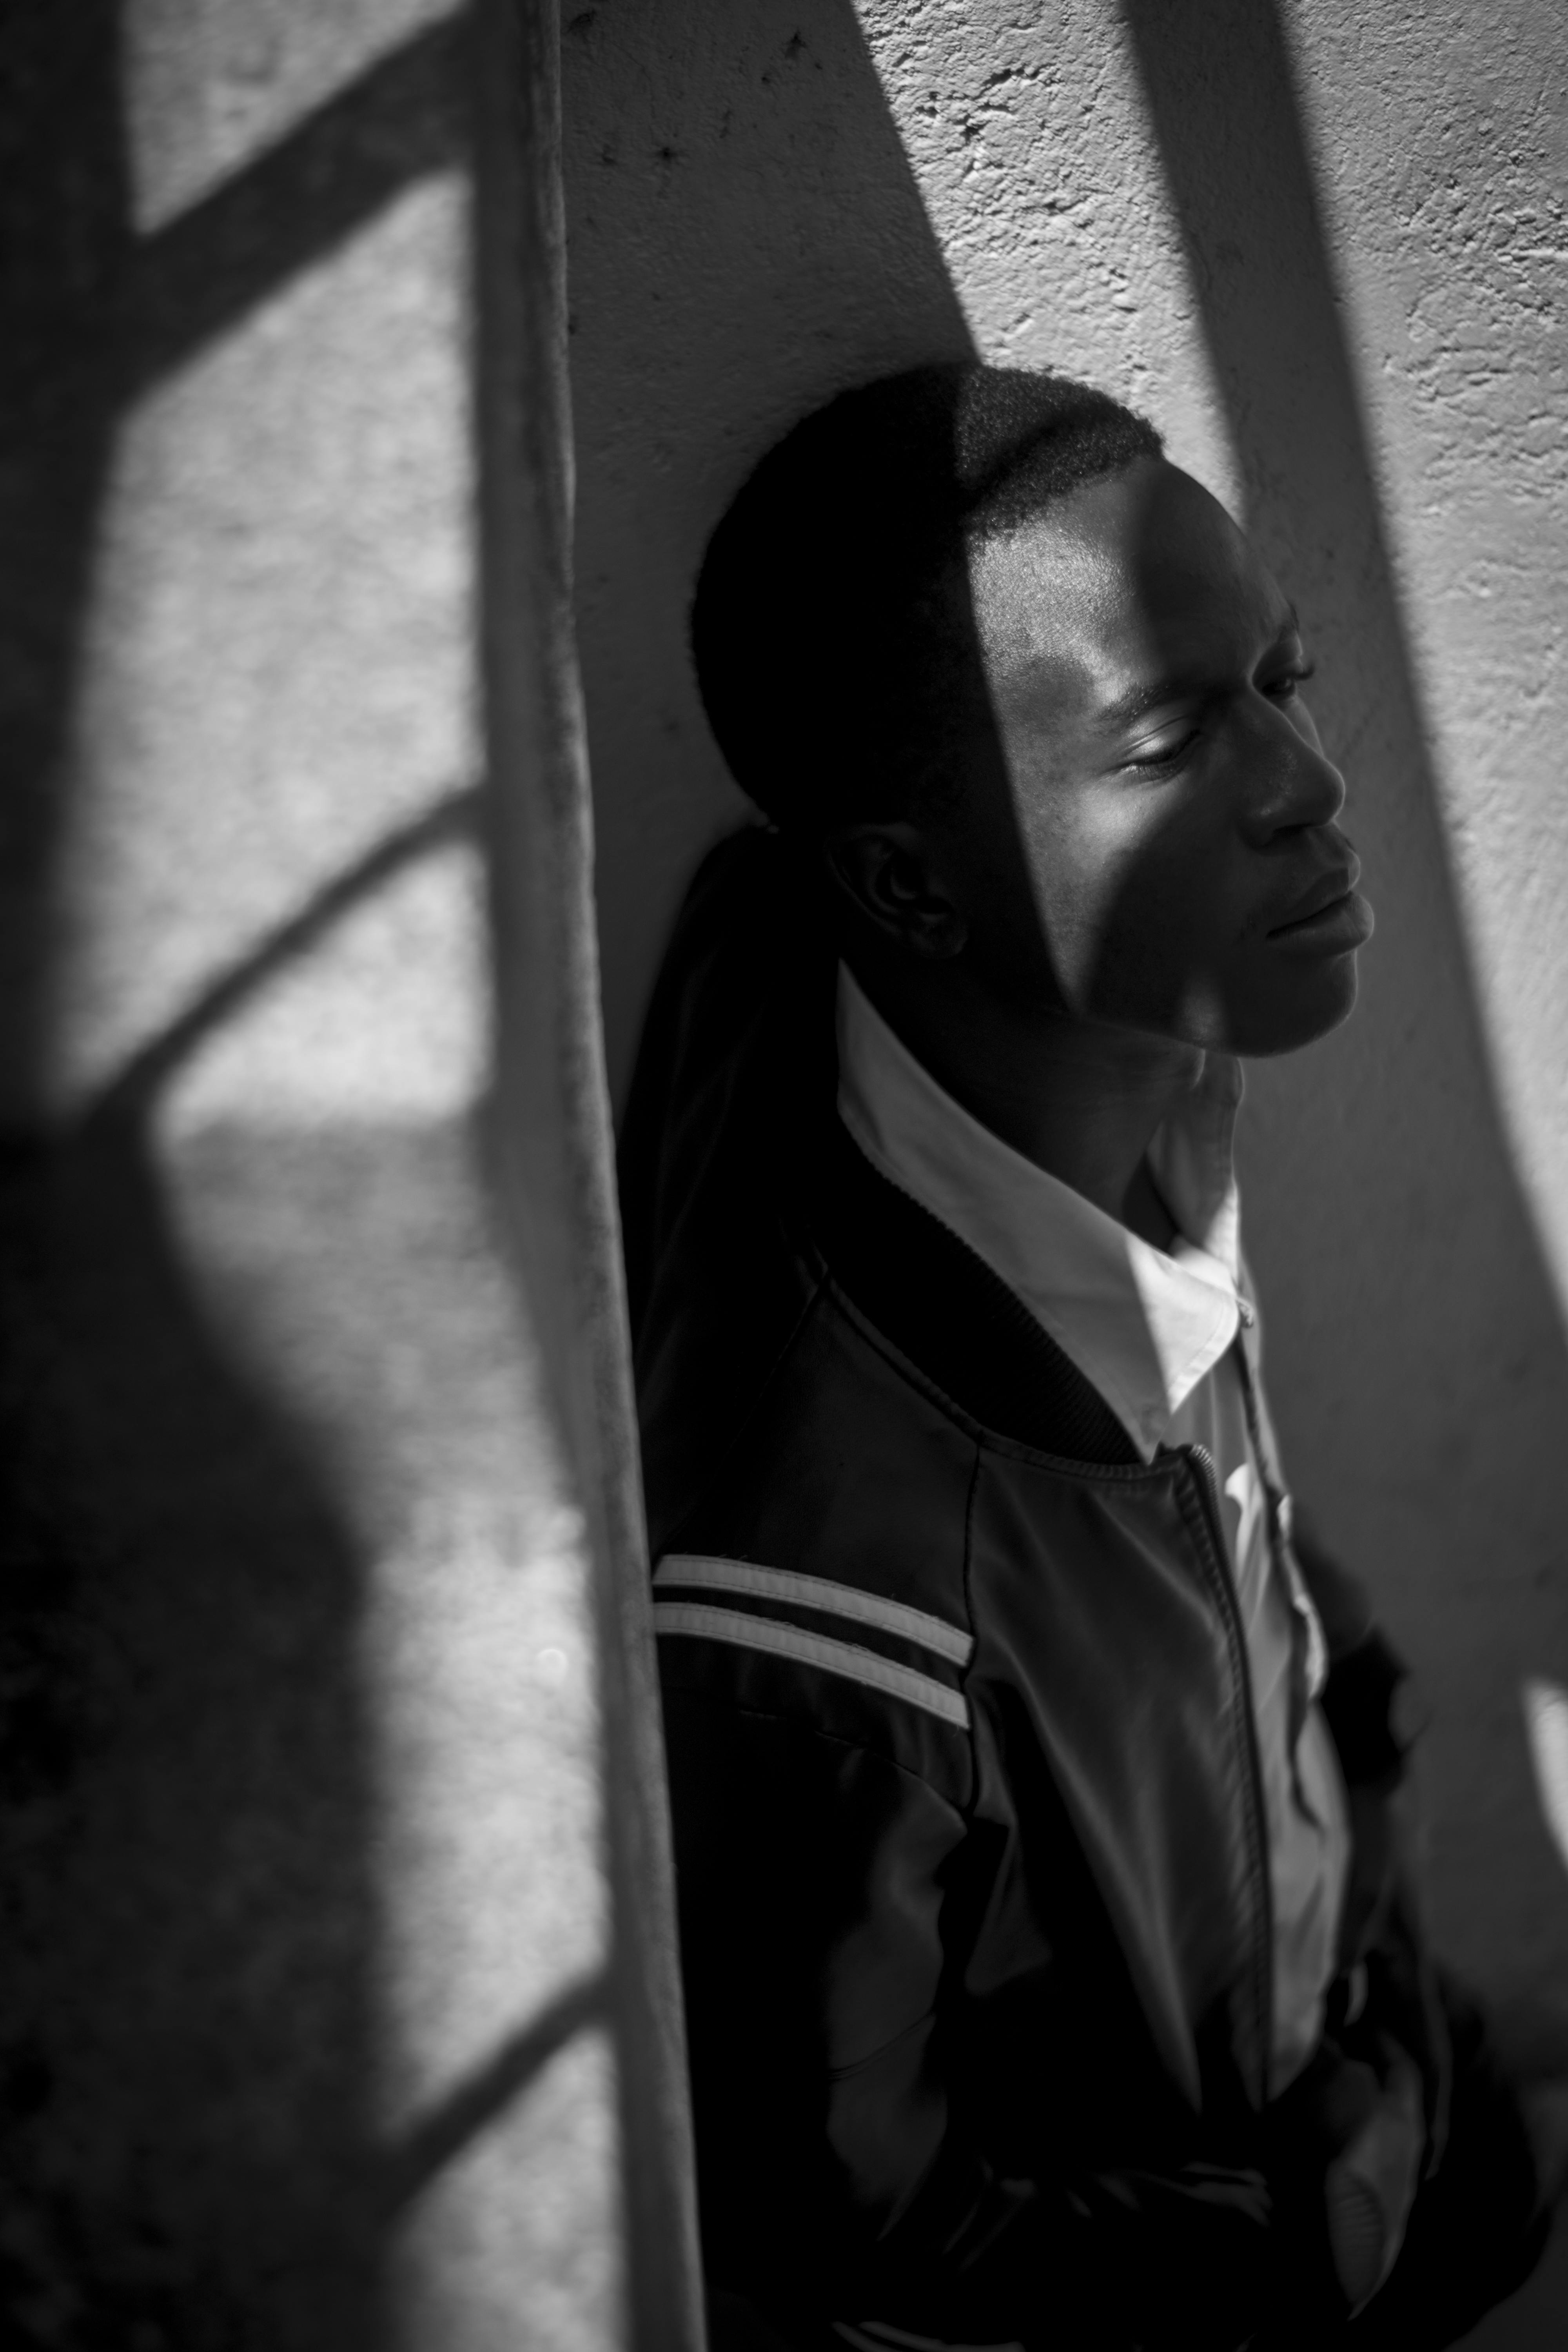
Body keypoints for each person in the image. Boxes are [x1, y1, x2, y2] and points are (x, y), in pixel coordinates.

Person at [618, 366, 1555, 2350]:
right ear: (901, 880)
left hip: (1327, 2003)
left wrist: (1360, 1818)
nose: (1307, 777)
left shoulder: (1098, 1053)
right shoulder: (818, 1596)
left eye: (1281, 679)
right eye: (1171, 737)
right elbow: (840, 2216)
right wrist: (1307, 2228)